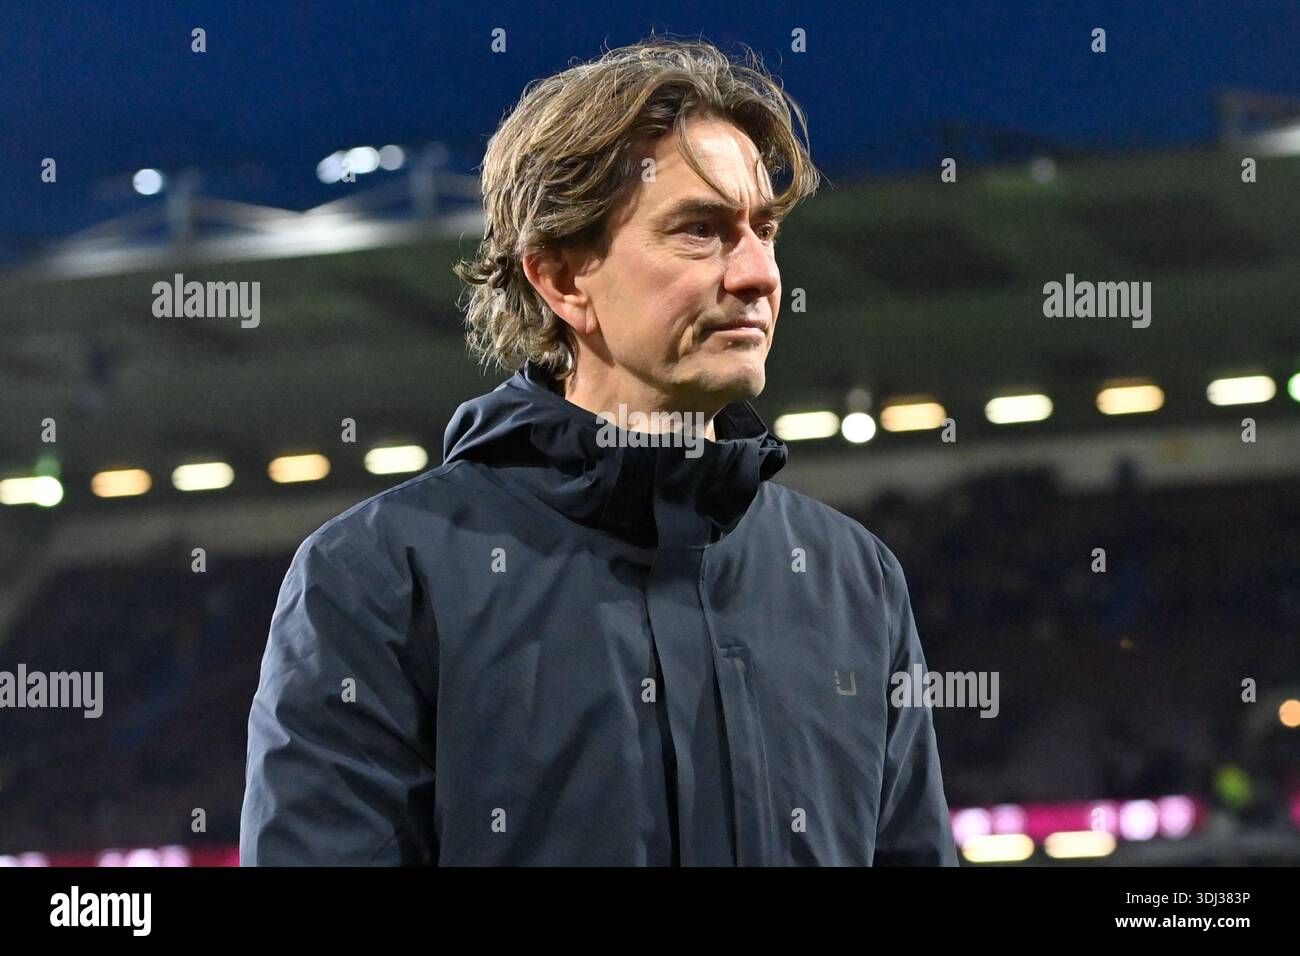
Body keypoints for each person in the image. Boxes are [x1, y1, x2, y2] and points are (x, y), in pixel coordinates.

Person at [240, 37, 958, 866]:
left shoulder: (853, 580)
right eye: (701, 232)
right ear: (561, 278)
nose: (759, 273)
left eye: (764, 230)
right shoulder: (378, 575)